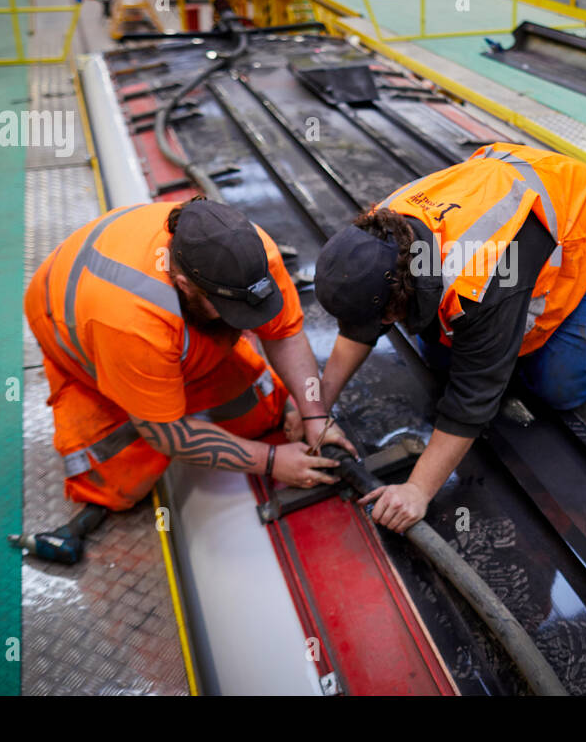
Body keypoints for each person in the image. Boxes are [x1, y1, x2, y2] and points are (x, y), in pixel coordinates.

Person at [314, 143, 586, 533]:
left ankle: (582, 310)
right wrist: (316, 408)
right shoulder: (377, 237)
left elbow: (473, 396)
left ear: (395, 305)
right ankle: (502, 337)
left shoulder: (486, 275)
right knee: (445, 354)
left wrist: (417, 491)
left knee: (560, 387)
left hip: (579, 218)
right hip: (508, 193)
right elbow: (361, 325)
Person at [25, 197, 352, 513]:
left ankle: (179, 366)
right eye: (228, 308)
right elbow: (165, 433)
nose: (244, 321)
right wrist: (270, 461)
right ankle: (110, 397)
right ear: (183, 284)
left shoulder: (251, 258)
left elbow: (284, 336)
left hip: (153, 325)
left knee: (261, 414)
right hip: (81, 334)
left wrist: (314, 415)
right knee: (117, 486)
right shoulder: (130, 321)